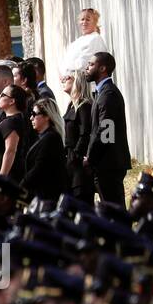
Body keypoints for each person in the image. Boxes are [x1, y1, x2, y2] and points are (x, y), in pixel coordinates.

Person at [84, 51, 130, 207]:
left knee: (114, 210)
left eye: (91, 64)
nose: (87, 68)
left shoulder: (108, 94)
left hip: (108, 164)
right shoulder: (102, 93)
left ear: (102, 68)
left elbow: (106, 133)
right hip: (104, 163)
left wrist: (90, 158)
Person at [22, 98, 68, 201]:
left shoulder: (51, 138)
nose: (31, 118)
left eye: (34, 114)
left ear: (47, 116)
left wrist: (21, 187)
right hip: (43, 195)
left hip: (48, 197)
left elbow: (39, 168)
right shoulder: (45, 137)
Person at [61, 68, 95, 203]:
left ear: (78, 82)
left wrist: (76, 155)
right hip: (70, 161)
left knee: (81, 201)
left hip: (78, 164)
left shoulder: (84, 105)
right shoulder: (71, 105)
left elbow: (85, 133)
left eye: (68, 78)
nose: (63, 80)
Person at [0, 84, 30, 179]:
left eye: (3, 95)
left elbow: (10, 151)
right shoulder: (10, 120)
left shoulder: (12, 122)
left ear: (12, 101)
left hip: (7, 178)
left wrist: (1, 179)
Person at [63, 8, 109, 74]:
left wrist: (67, 67)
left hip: (86, 82)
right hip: (70, 81)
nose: (84, 22)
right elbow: (64, 62)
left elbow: (83, 65)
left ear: (95, 22)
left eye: (88, 19)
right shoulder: (78, 41)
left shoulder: (95, 39)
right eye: (82, 19)